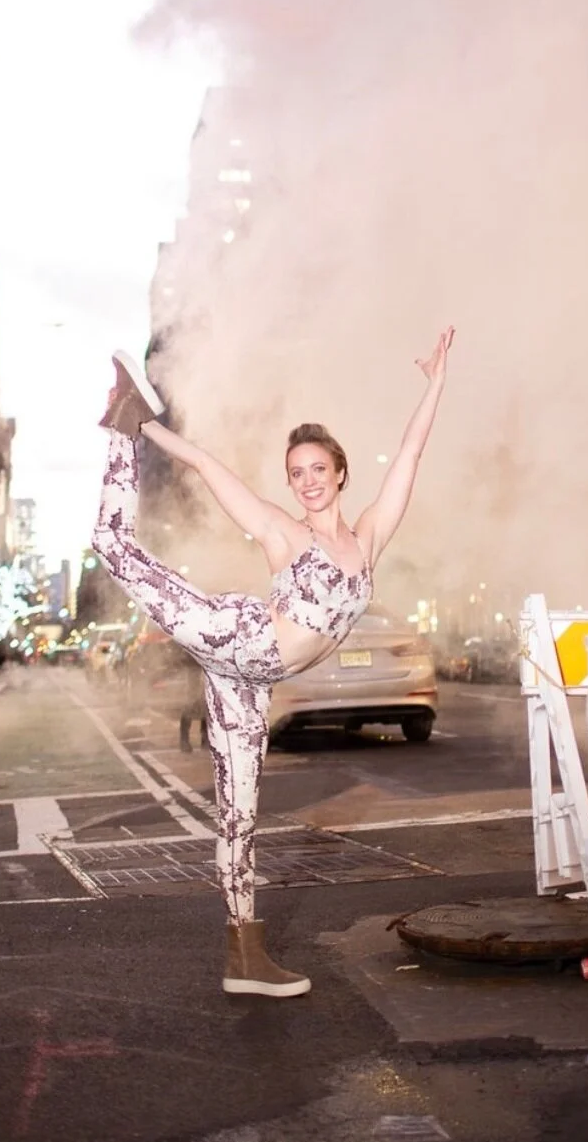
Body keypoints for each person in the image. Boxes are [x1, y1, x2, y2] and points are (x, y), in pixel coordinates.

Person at [92, 328, 453, 998]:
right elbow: (206, 466)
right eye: (296, 473)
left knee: (240, 818)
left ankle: (244, 958)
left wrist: (434, 384)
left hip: (251, 679)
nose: (307, 482)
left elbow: (411, 452)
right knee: (115, 549)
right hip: (242, 636)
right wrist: (144, 427)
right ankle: (120, 440)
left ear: (341, 472)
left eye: (317, 469)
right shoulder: (283, 533)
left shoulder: (369, 536)